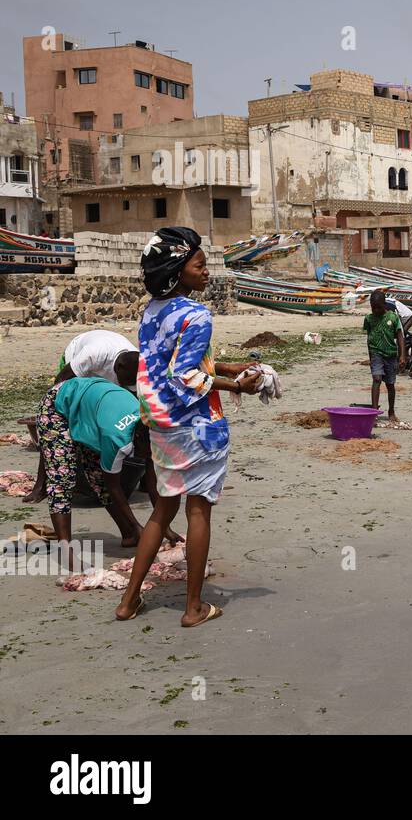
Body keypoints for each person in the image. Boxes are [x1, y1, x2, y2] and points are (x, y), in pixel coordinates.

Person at [117, 227, 257, 627]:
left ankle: (129, 601)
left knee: (162, 510)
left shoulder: (152, 310)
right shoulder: (197, 315)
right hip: (196, 427)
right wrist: (237, 386)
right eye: (200, 265)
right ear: (179, 272)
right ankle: (193, 607)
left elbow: (163, 365)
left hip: (161, 427)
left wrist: (226, 365)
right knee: (199, 511)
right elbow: (183, 375)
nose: (207, 271)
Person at [36, 376, 177, 552]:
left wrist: (164, 527)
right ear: (138, 438)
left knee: (98, 476)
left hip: (93, 408)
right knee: (62, 479)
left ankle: (129, 534)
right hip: (59, 404)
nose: (148, 455)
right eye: (147, 451)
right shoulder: (116, 439)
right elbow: (114, 487)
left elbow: (152, 481)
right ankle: (66, 549)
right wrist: (137, 524)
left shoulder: (151, 429)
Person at [24, 329, 141, 504]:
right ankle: (41, 484)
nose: (128, 386)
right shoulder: (93, 355)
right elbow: (57, 389)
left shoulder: (136, 364)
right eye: (126, 382)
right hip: (75, 370)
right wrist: (49, 419)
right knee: (58, 430)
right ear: (118, 368)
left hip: (102, 388)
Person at [365, 289, 406, 420]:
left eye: (378, 307)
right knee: (376, 379)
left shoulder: (393, 317)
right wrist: (370, 356)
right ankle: (374, 412)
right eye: (373, 308)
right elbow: (369, 337)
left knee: (390, 384)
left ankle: (391, 411)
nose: (375, 310)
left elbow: (400, 337)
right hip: (376, 353)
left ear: (384, 305)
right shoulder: (369, 319)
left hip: (390, 354)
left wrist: (402, 355)